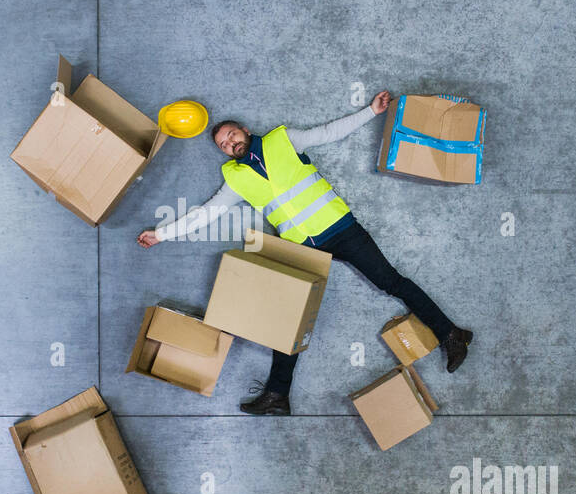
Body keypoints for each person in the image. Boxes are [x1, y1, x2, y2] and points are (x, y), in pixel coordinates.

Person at [137, 90, 472, 416]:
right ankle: (277, 396)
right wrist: (162, 233)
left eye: (232, 135)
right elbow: (206, 213)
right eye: (224, 145)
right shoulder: (235, 179)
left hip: (341, 229)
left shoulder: (283, 140)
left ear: (245, 131)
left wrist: (370, 111)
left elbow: (328, 133)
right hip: (302, 247)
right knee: (289, 318)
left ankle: (451, 334)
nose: (230, 144)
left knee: (392, 282)